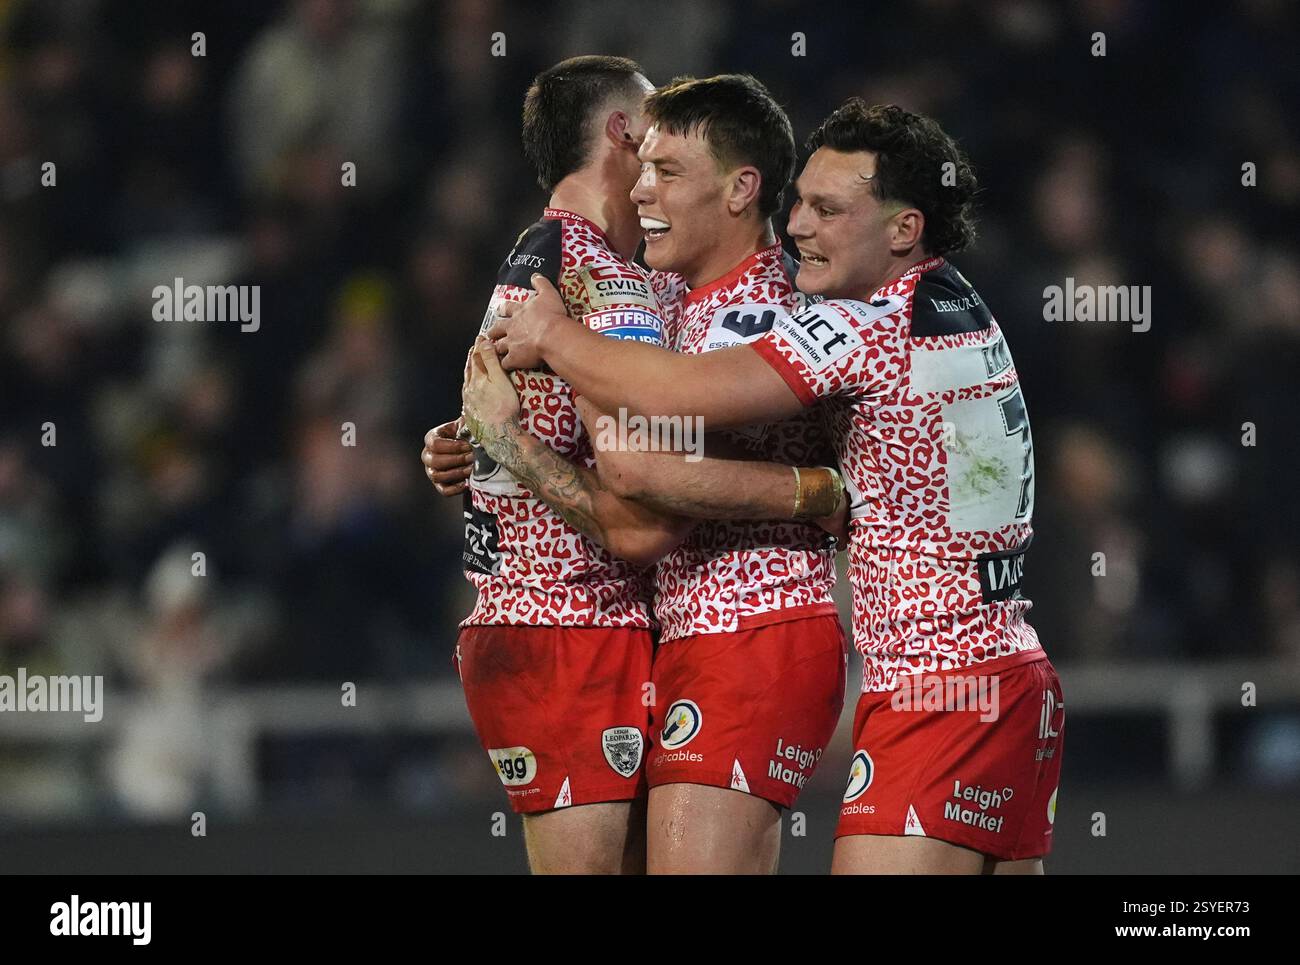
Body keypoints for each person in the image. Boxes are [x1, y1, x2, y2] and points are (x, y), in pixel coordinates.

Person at [488, 98, 1065, 874]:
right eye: (801, 202)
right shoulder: (959, 307)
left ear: (904, 229)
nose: (797, 227)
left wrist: (553, 338)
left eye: (829, 210)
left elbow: (669, 404)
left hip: (933, 688)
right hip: (1013, 672)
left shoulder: (862, 329)